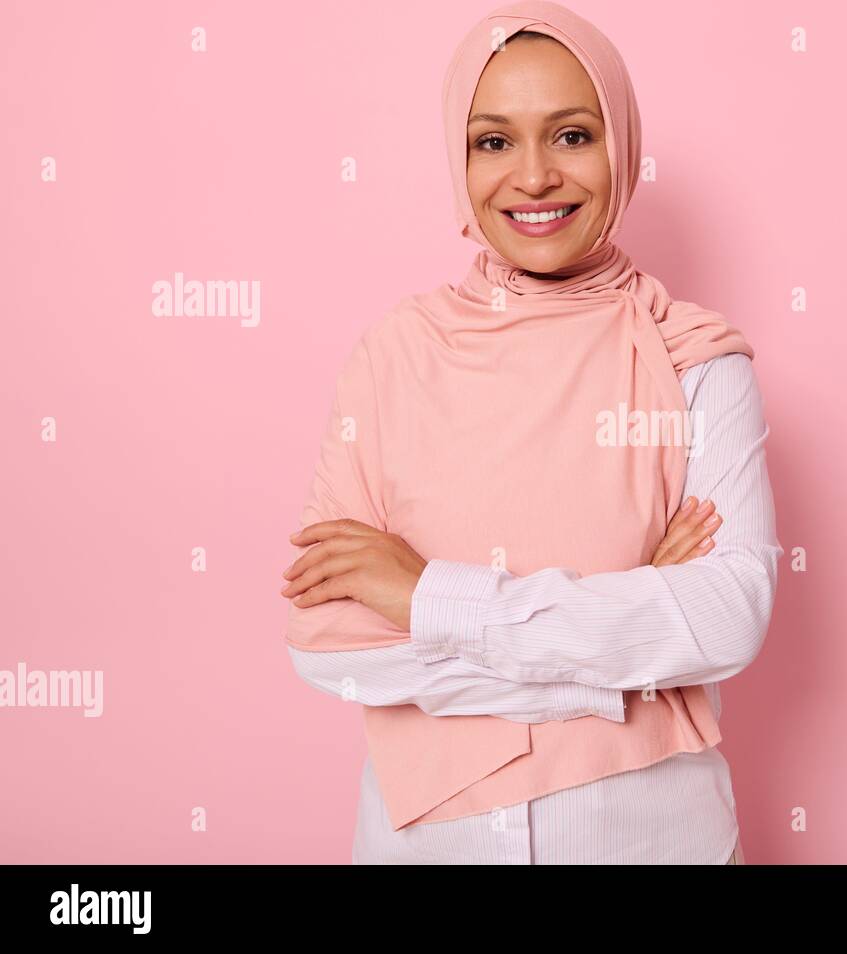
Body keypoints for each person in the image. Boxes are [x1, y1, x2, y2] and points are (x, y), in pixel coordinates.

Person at [279, 1, 780, 864]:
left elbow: (728, 616)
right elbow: (331, 648)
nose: (536, 176)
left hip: (655, 842)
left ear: (620, 146)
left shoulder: (694, 359)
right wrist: (624, 647)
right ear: (458, 157)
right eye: (494, 141)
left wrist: (429, 598)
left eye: (574, 136)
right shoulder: (393, 357)